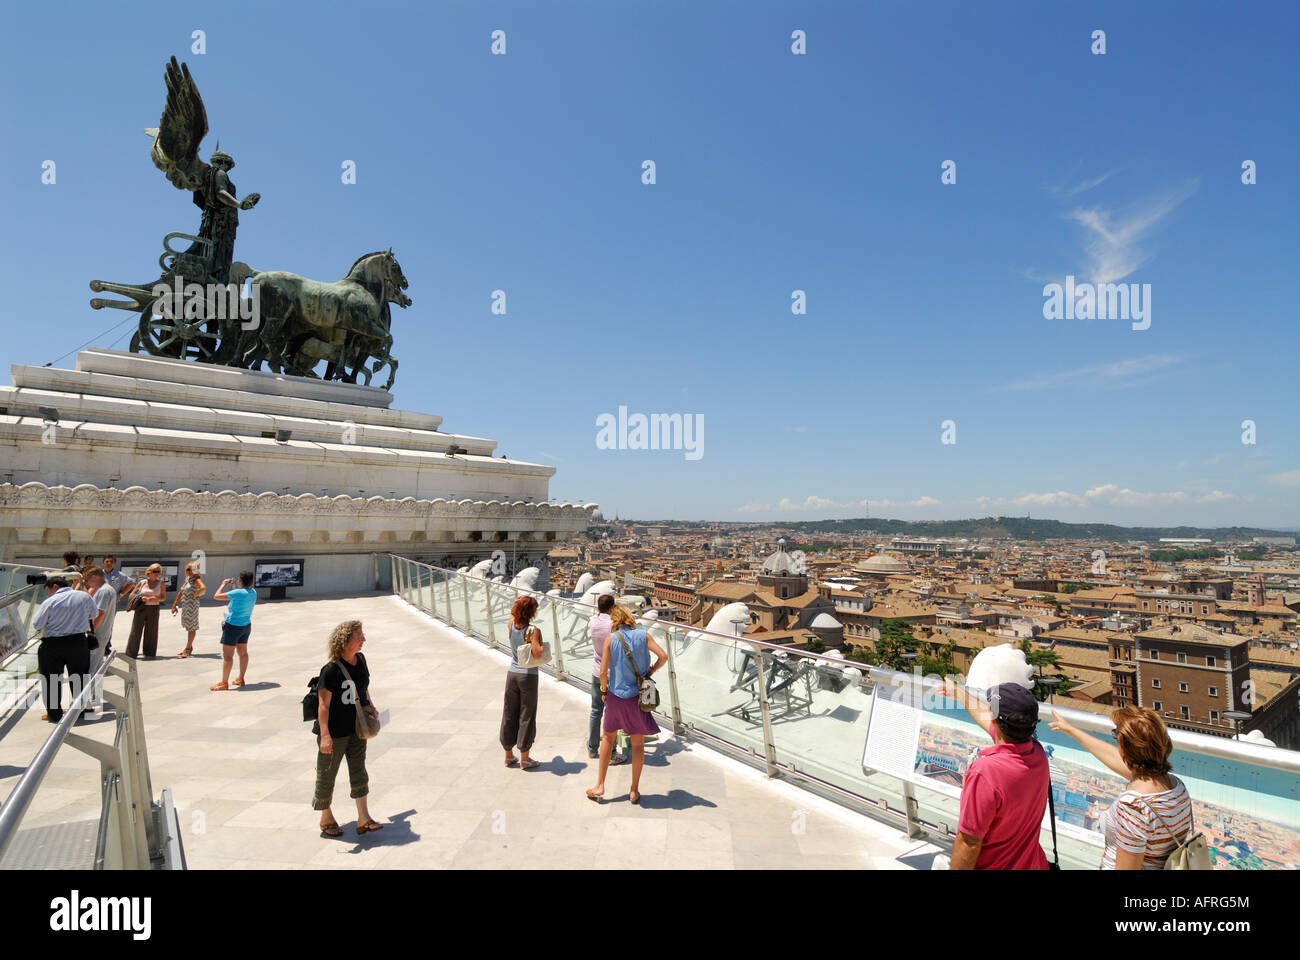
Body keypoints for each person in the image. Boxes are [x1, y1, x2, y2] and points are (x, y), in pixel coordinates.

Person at [1050, 706, 1194, 869]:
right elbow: (1119, 760)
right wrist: (1072, 730)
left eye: (1116, 734)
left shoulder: (1134, 806)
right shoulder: (1175, 786)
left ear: (1126, 746)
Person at [940, 679, 1050, 870]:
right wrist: (958, 692)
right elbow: (987, 718)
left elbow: (969, 842)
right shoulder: (1038, 754)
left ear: (995, 719)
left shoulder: (985, 773)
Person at [586, 605, 667, 804]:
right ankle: (634, 790)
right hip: (637, 698)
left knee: (607, 738)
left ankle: (600, 785)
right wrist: (651, 671)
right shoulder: (644, 636)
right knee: (637, 744)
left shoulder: (610, 639)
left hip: (616, 695)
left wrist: (604, 692)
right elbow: (663, 656)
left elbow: (603, 672)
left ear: (615, 621)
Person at [313, 619, 383, 837]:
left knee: (359, 770)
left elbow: (363, 688)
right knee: (327, 774)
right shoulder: (330, 670)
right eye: (359, 636)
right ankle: (326, 817)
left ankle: (363, 818)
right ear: (345, 640)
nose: (363, 639)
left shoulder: (360, 660)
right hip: (334, 733)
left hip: (356, 729)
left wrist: (370, 706)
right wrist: (325, 735)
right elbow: (323, 705)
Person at [32, 576, 98, 723]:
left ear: (54, 586)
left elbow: (37, 624)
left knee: (52, 680)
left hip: (53, 644)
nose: (48, 594)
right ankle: (82, 710)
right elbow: (94, 614)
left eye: (48, 591)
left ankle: (54, 715)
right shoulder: (84, 596)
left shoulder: (49, 602)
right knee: (80, 677)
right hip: (78, 642)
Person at [500, 595, 544, 769]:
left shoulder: (511, 624)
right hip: (528, 676)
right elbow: (538, 653)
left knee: (509, 712)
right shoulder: (533, 630)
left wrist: (517, 602)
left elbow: (513, 614)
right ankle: (525, 757)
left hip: (512, 674)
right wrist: (542, 644)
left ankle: (508, 755)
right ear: (532, 612)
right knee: (527, 714)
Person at [586, 594, 627, 765]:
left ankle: (592, 748)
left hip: (597, 672)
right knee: (613, 715)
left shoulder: (592, 622)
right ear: (612, 608)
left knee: (596, 711)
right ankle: (611, 753)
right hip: (613, 675)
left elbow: (597, 617)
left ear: (597, 608)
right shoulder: (614, 626)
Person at [211, 571, 256, 690]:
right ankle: (241, 678)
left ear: (241, 581)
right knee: (243, 653)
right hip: (245, 625)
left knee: (228, 656)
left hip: (233, 626)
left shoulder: (236, 593)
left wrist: (223, 584)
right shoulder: (253, 592)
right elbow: (239, 595)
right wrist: (234, 588)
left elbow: (216, 596)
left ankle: (224, 682)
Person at [83, 566, 117, 713]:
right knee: (96, 666)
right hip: (102, 634)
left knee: (91, 667)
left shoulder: (104, 591)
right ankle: (94, 697)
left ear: (96, 576)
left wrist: (90, 633)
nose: (86, 582)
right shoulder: (107, 589)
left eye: (88, 579)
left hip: (98, 635)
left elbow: (100, 613)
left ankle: (88, 702)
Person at [124, 563, 166, 658]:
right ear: (149, 572)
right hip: (141, 607)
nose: (157, 573)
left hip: (154, 608)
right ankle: (131, 653)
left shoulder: (161, 584)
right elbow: (132, 594)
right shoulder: (142, 582)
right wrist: (140, 598)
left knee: (152, 630)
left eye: (159, 572)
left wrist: (156, 599)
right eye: (154, 571)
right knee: (136, 629)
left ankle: (149, 653)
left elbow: (163, 598)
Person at [171, 562, 206, 658]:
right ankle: (189, 647)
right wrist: (174, 604)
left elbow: (203, 588)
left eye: (193, 569)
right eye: (188, 569)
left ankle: (187, 649)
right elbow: (181, 591)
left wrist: (196, 594)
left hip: (192, 606)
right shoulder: (187, 579)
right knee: (188, 626)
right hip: (185, 606)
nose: (190, 571)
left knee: (192, 628)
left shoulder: (196, 579)